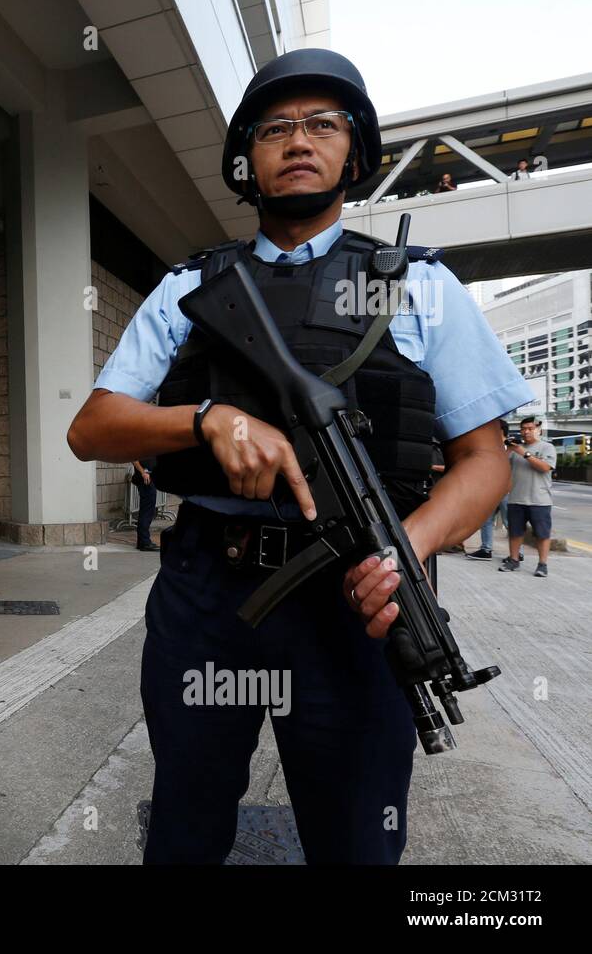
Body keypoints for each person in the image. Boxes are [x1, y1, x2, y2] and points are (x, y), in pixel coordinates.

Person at [67, 48, 532, 864]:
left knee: (357, 836)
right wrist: (204, 420)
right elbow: (93, 428)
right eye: (276, 127)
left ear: (355, 150)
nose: (298, 140)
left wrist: (408, 547)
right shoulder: (189, 288)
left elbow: (484, 458)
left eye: (324, 123)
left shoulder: (418, 284)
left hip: (356, 601)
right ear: (247, 157)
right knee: (185, 822)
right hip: (208, 595)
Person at [499, 416, 557, 576]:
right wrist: (509, 449)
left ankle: (542, 564)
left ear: (539, 429)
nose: (526, 432)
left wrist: (523, 453)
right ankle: (513, 560)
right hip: (516, 499)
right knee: (515, 532)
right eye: (523, 429)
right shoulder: (516, 449)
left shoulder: (547, 447)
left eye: (530, 429)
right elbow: (500, 466)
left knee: (542, 533)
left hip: (540, 500)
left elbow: (545, 467)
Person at [465, 418, 512, 560]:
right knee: (486, 520)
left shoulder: (512, 448)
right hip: (490, 491)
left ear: (500, 431)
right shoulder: (487, 449)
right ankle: (486, 549)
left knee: (509, 521)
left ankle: (517, 552)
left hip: (506, 492)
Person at [131, 456, 160, 551]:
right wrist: (143, 472)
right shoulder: (138, 444)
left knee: (148, 511)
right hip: (145, 479)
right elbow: (133, 458)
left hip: (149, 477)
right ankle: (145, 542)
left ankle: (142, 542)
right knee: (147, 512)